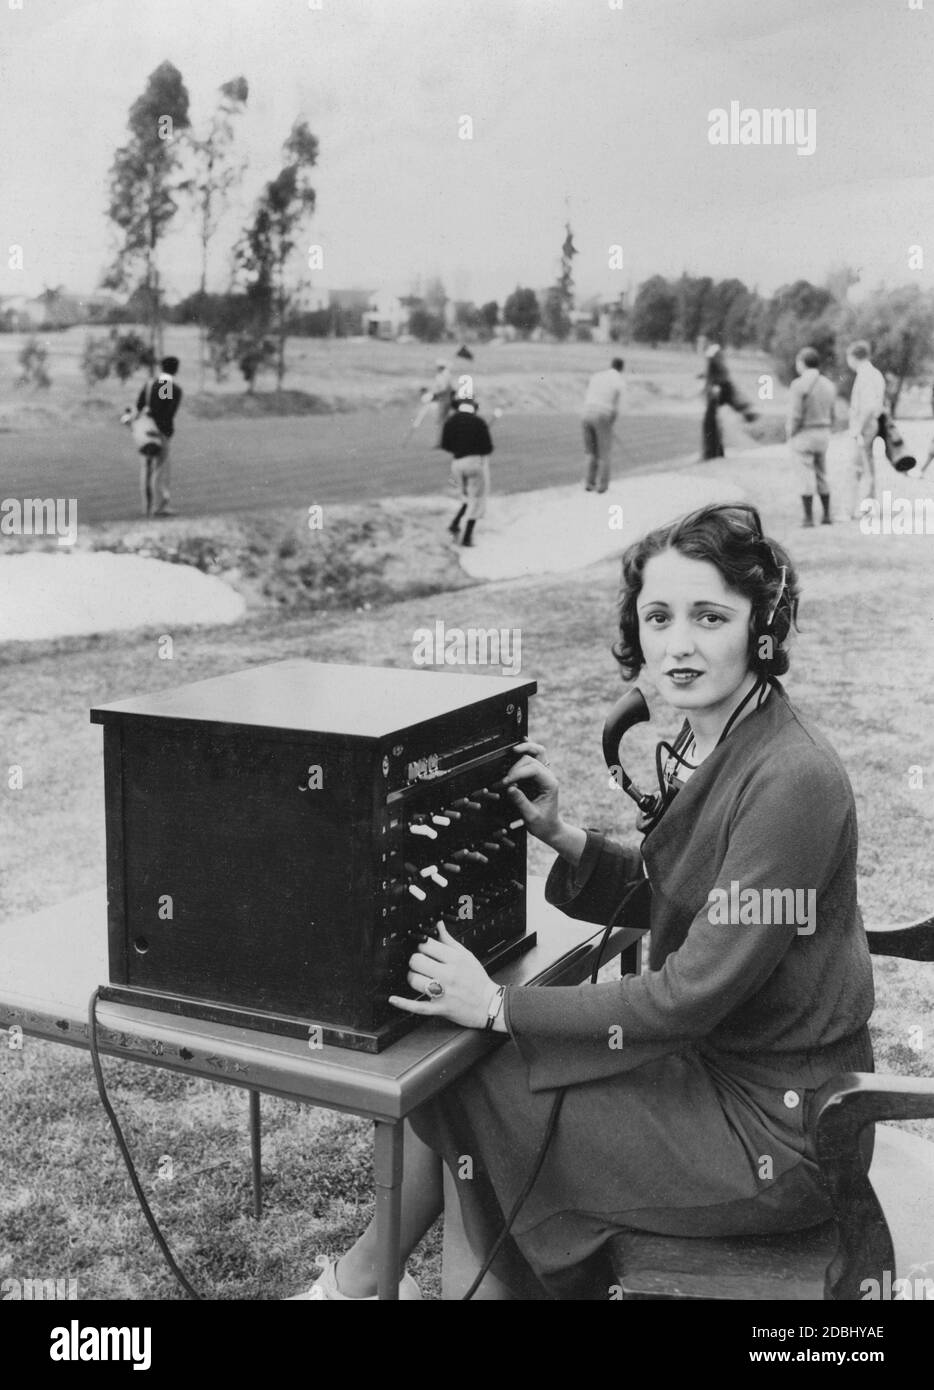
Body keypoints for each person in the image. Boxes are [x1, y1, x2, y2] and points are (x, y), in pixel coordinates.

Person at [290, 502, 874, 1301]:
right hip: (713, 1079)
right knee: (465, 1075)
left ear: (760, 628)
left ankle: (363, 1285)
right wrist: (564, 838)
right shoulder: (725, 737)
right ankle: (368, 1282)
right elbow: (687, 895)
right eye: (659, 616)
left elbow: (685, 997)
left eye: (711, 616)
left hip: (781, 1131)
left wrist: (497, 1004)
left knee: (476, 1078)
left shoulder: (792, 779)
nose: (680, 643)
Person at [786, 347, 837, 526]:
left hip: (805, 434)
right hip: (823, 433)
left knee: (805, 474)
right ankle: (827, 515)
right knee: (822, 473)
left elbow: (795, 415)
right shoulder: (829, 385)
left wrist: (790, 434)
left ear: (802, 363)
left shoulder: (798, 385)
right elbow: (833, 414)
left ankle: (808, 517)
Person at [439, 392, 494, 547]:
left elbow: (445, 445)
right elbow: (487, 448)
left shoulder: (450, 422)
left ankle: (455, 523)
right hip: (475, 463)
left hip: (457, 464)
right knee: (476, 499)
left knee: (465, 496)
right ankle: (467, 537)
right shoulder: (479, 422)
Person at [136, 356, 183, 518]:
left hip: (146, 432)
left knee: (147, 469)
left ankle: (149, 506)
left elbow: (140, 406)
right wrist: (162, 432)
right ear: (176, 369)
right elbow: (164, 413)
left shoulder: (150, 384)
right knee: (159, 469)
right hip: (159, 433)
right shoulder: (167, 385)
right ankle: (159, 506)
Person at [845, 341, 886, 520]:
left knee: (858, 468)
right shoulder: (875, 373)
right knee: (867, 465)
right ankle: (868, 505)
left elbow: (868, 406)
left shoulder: (865, 375)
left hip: (864, 426)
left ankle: (855, 509)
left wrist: (857, 429)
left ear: (853, 357)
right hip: (871, 424)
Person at [700, 344, 758, 460]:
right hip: (716, 400)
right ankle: (714, 453)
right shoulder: (717, 370)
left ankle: (713, 454)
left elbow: (725, 389)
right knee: (712, 426)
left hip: (715, 400)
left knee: (712, 425)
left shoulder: (718, 371)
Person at [581, 357, 625, 493]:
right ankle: (603, 486)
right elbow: (616, 408)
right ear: (621, 368)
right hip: (602, 414)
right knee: (604, 453)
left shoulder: (597, 376)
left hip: (586, 413)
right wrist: (610, 423)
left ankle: (589, 483)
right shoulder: (619, 381)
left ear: (611, 365)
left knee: (590, 452)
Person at [430, 358, 454, 444]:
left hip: (443, 400)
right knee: (444, 421)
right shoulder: (447, 375)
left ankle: (440, 442)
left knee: (440, 421)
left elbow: (443, 388)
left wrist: (434, 395)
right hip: (447, 400)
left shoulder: (442, 376)